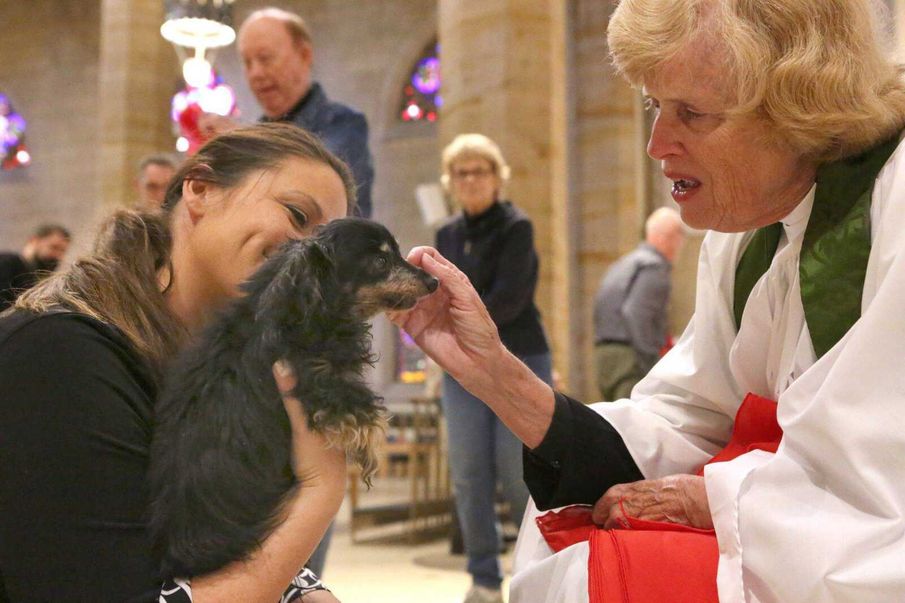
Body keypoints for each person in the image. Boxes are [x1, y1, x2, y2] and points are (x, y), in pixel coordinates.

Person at [392, 0, 905, 601]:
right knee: (562, 540)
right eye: (654, 106)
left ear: (796, 106)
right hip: (788, 520)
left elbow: (875, 491)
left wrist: (709, 497)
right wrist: (500, 377)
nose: (657, 144)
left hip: (857, 555)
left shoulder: (891, 206)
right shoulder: (744, 235)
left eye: (691, 111)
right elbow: (689, 419)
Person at [0, 123, 352, 602]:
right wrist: (320, 491)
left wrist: (302, 591)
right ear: (200, 190)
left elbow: (223, 553)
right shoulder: (58, 353)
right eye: (296, 214)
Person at [435, 134, 553, 603]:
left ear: (497, 177)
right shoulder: (446, 234)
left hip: (517, 356)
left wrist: (457, 326)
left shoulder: (516, 227)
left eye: (478, 170)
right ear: (451, 181)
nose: (469, 180)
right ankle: (484, 578)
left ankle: (535, 571)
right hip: (461, 365)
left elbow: (510, 298)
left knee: (516, 470)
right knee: (468, 473)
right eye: (460, 172)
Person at [200, 7, 374, 220]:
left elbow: (330, 201)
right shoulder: (255, 133)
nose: (255, 73)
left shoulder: (343, 124)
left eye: (265, 58)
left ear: (304, 55)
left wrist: (247, 147)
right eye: (247, 63)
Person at [592, 207, 684, 400]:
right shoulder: (654, 267)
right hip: (629, 361)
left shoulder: (624, 263)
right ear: (666, 237)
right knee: (630, 428)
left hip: (605, 356)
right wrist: (651, 363)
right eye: (679, 235)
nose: (680, 244)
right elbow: (636, 313)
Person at [0, 224, 70, 311]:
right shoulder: (6, 263)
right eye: (54, 247)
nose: (58, 255)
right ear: (34, 240)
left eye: (62, 251)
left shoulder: (34, 278)